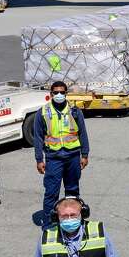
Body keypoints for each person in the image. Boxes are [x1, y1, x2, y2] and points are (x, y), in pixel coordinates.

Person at [34, 81, 90, 226]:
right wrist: (39, 159)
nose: (59, 95)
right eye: (56, 92)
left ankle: (74, 219)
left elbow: (82, 133)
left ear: (66, 94)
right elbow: (38, 138)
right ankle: (49, 222)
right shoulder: (43, 112)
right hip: (54, 158)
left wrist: (85, 154)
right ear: (50, 94)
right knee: (51, 192)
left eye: (62, 92)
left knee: (72, 190)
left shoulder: (74, 111)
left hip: (73, 157)